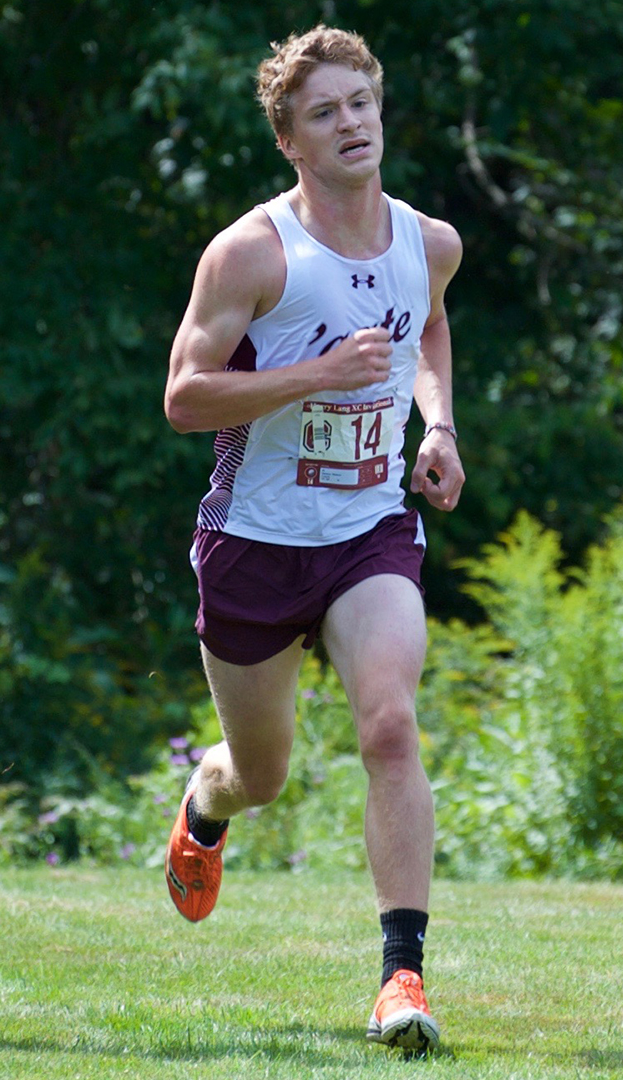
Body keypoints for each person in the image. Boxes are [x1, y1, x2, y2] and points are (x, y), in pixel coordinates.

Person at [160, 24, 465, 1054]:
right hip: (253, 541)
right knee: (264, 771)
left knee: (389, 726)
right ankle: (206, 804)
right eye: (325, 112)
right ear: (290, 140)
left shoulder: (430, 242)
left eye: (361, 105)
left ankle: (400, 977)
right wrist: (312, 376)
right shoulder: (252, 252)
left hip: (370, 532)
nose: (351, 124)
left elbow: (427, 327)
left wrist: (439, 426)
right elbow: (184, 398)